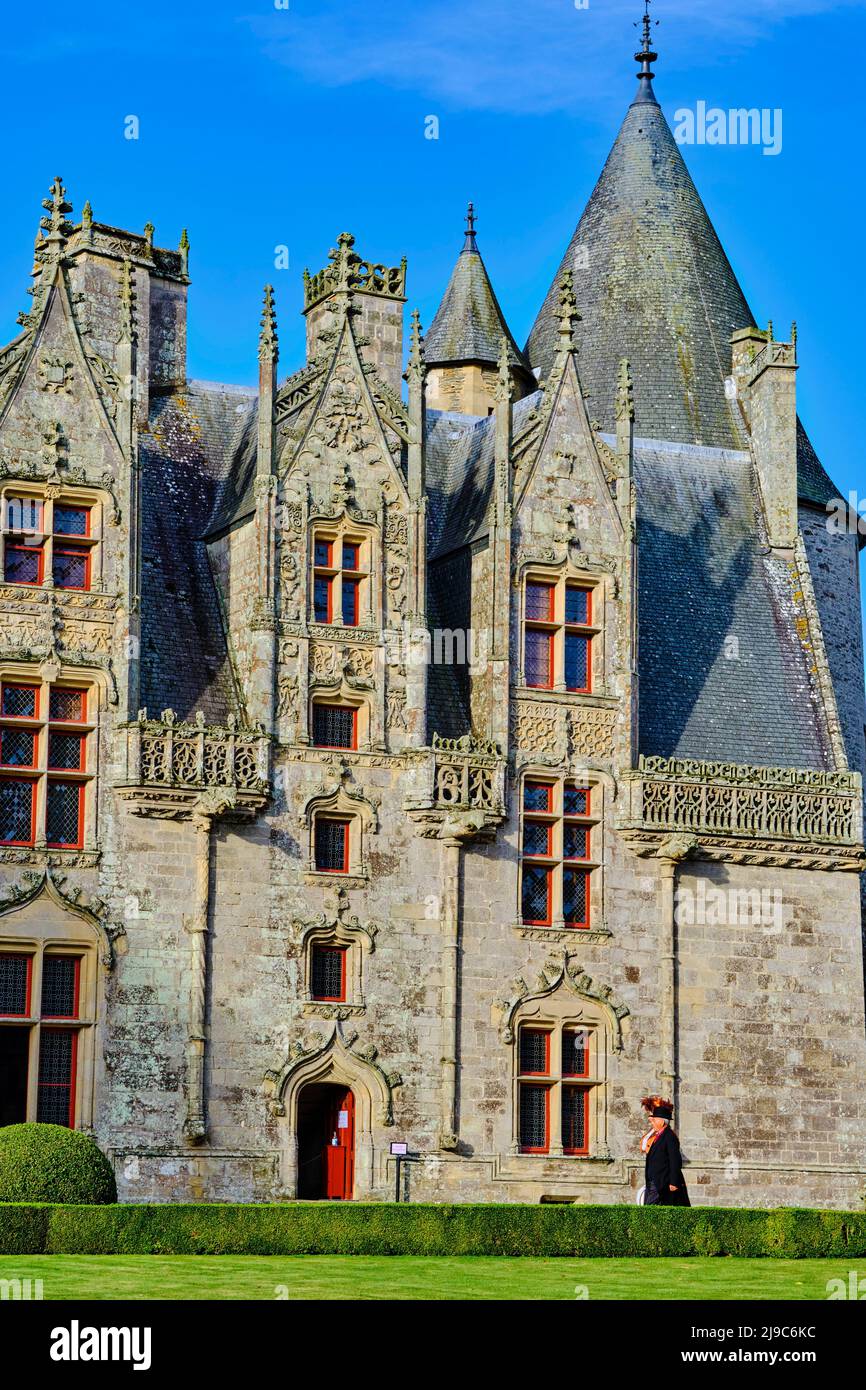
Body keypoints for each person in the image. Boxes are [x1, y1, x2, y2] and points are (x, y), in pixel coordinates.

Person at [640, 1095, 690, 1206]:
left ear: (662, 1122)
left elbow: (675, 1161)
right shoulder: (658, 1136)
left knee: (650, 1210)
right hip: (653, 1181)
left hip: (661, 1181)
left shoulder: (669, 1137)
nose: (652, 1122)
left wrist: (673, 1181)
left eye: (654, 1119)